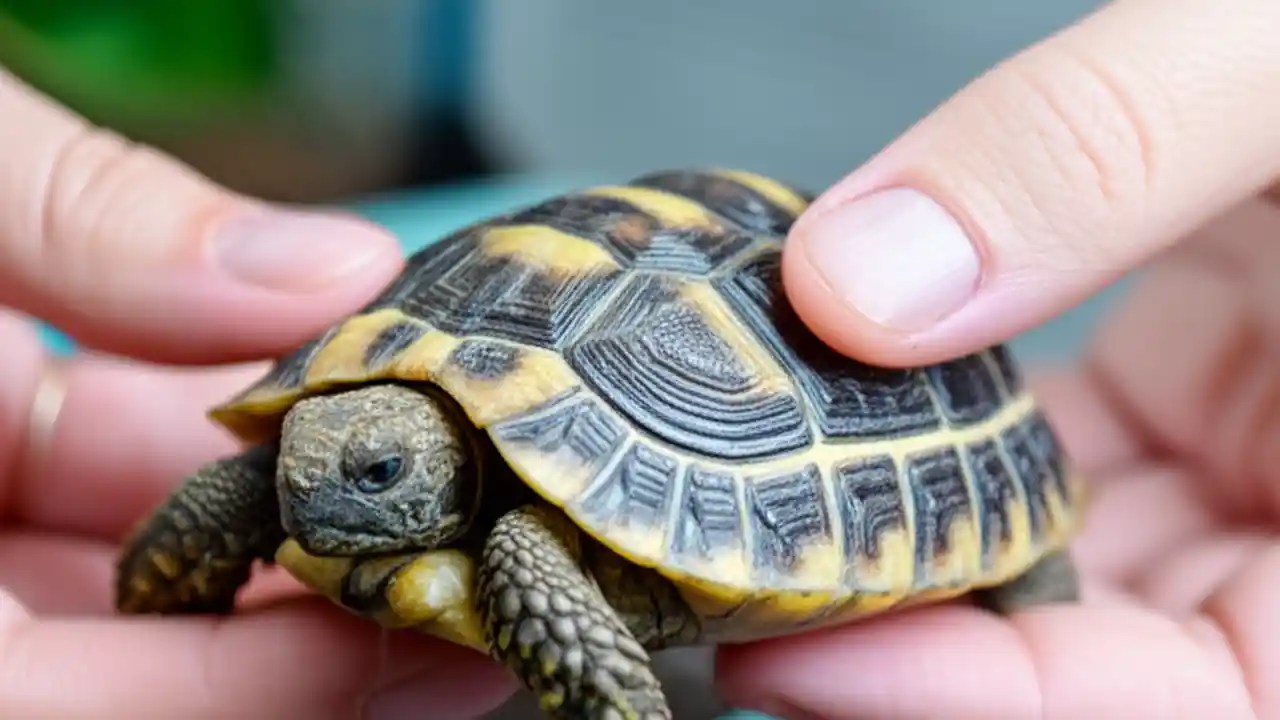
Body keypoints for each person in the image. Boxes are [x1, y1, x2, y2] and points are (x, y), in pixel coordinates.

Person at [1, 1, 1274, 718]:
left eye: (377, 473)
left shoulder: (509, 542)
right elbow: (274, 485)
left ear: (437, 465)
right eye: (328, 458)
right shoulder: (331, 464)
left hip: (1039, 282)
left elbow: (524, 552)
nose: (317, 493)